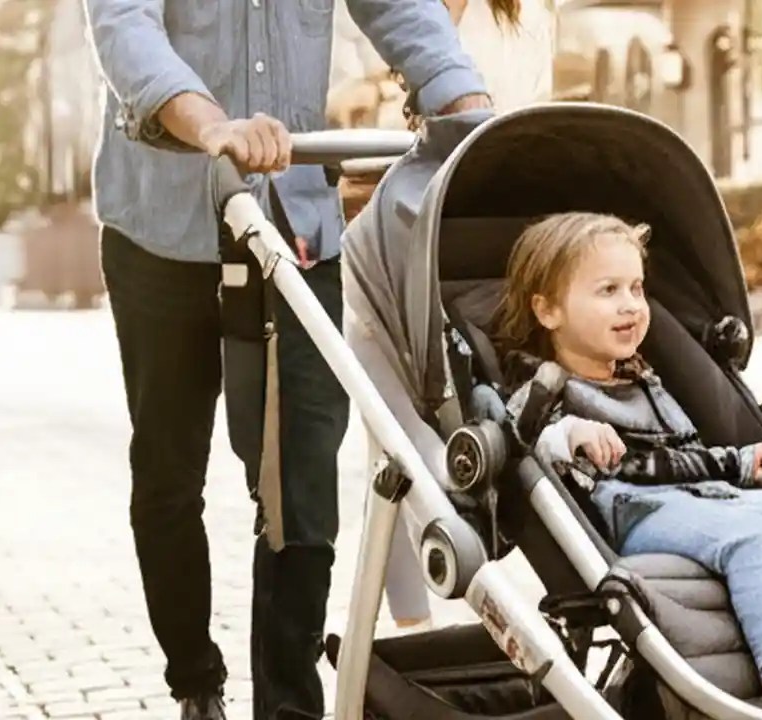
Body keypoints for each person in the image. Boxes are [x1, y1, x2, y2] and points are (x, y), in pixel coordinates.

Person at [81, 1, 491, 718]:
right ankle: (196, 680)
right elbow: (125, 29)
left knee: (301, 489)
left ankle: (288, 706)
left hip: (294, 228)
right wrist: (213, 125)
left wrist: (466, 102)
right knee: (169, 479)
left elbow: (401, 9)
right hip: (161, 234)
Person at [491, 212, 762, 705]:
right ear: (548, 311)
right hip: (637, 515)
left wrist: (742, 463)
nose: (630, 306)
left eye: (637, 289)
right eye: (608, 290)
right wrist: (572, 432)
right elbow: (526, 437)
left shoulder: (644, 380)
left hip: (700, 498)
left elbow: (686, 454)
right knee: (754, 535)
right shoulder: (541, 388)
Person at [334, 0, 556, 633]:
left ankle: (417, 625)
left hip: (423, 227)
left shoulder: (446, 17)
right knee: (410, 435)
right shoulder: (528, 15)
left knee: (395, 443)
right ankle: (421, 621)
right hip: (477, 230)